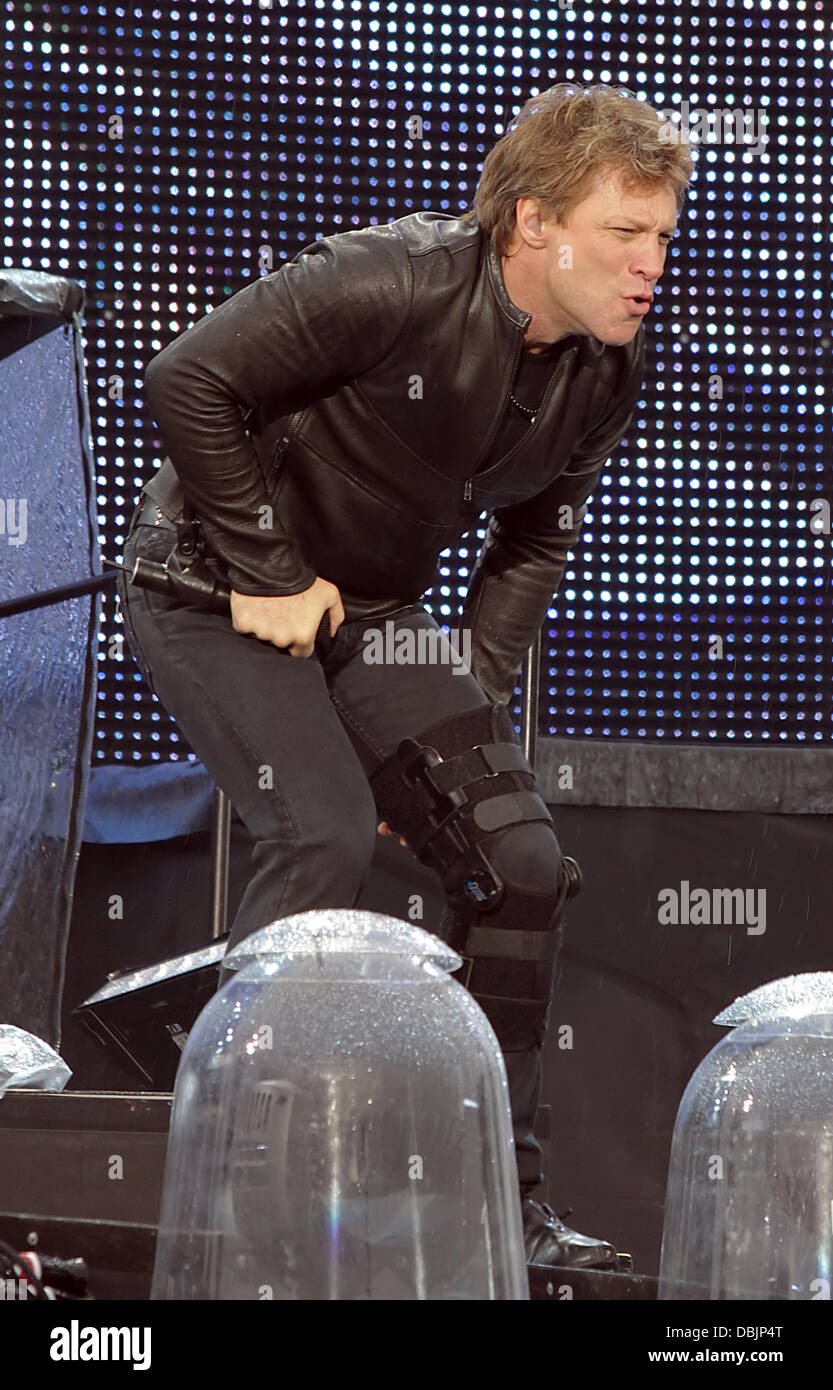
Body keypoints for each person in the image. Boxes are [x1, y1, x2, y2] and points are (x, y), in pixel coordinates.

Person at [117, 82, 692, 1270]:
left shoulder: (602, 367)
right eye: (626, 231)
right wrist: (268, 570)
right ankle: (226, 1182)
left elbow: (531, 537)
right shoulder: (393, 278)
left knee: (521, 864)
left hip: (373, 612)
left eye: (662, 238)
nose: (650, 262)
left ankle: (495, 1202)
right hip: (210, 584)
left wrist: (458, 708)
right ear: (533, 222)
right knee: (321, 832)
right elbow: (187, 380)